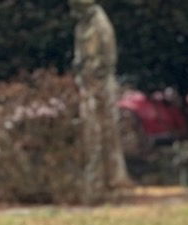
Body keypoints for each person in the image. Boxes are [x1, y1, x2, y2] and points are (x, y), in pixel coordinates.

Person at [71, 0, 131, 199]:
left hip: (100, 83)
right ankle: (94, 179)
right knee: (89, 130)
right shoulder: (82, 24)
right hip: (87, 83)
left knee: (106, 131)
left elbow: (108, 57)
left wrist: (97, 75)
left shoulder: (100, 24)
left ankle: (113, 179)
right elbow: (80, 55)